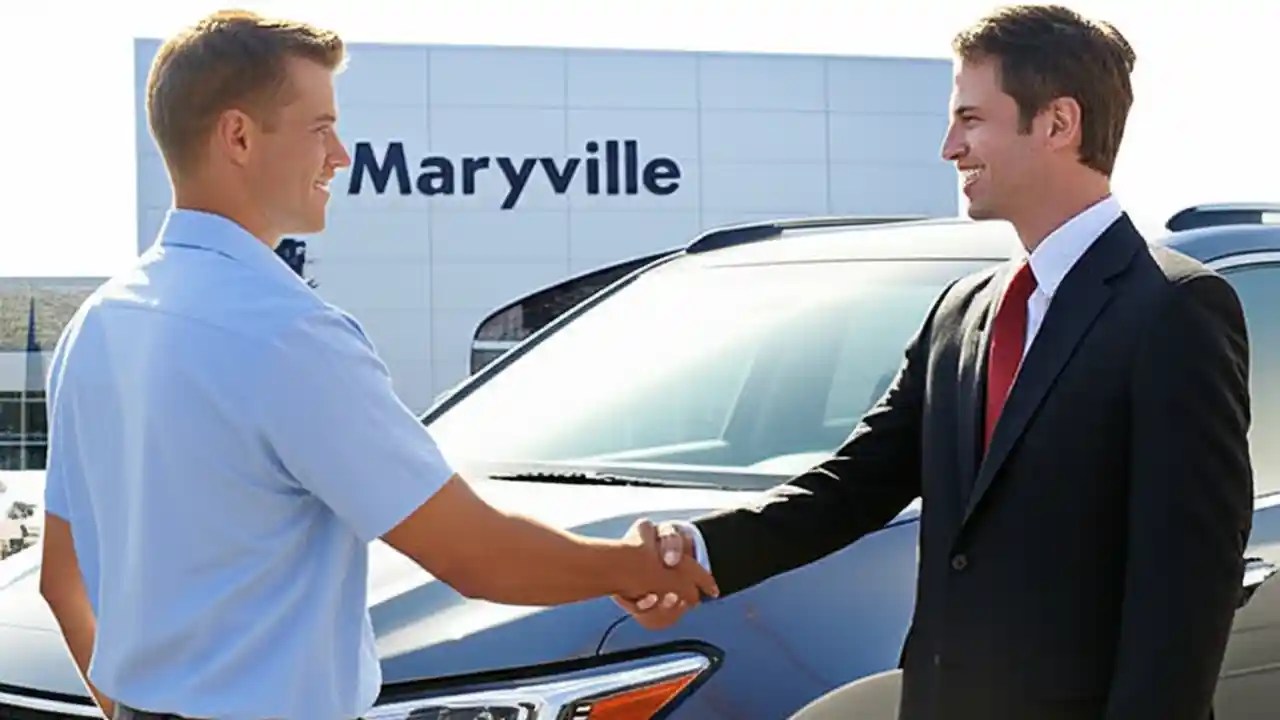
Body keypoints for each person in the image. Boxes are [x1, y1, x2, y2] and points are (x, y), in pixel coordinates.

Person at [37, 10, 715, 720]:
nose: (342, 155)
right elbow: (476, 556)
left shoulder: (99, 325)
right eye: (319, 127)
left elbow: (62, 580)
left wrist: (127, 712)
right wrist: (629, 566)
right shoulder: (290, 333)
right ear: (238, 136)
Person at [621, 5, 1253, 720]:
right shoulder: (963, 311)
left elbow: (1186, 586)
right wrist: (699, 548)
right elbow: (854, 485)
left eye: (972, 118)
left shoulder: (1175, 310)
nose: (950, 146)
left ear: (1057, 124)